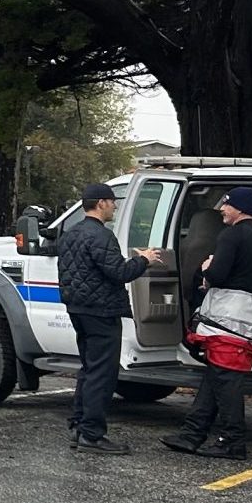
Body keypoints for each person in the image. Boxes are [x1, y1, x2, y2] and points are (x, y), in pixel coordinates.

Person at [166, 186, 252, 459]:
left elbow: (217, 276)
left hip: (226, 320)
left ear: (240, 208)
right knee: (216, 376)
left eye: (226, 204)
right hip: (251, 320)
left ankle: (232, 442)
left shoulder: (231, 235)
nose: (221, 209)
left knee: (227, 384)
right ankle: (191, 434)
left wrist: (206, 268)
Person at [57, 182, 169, 455]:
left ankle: (79, 426)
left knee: (88, 369)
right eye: (112, 201)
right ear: (101, 203)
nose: (115, 206)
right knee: (103, 374)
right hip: (102, 312)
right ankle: (92, 435)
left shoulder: (71, 234)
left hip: (79, 310)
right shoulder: (101, 236)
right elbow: (119, 273)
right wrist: (144, 260)